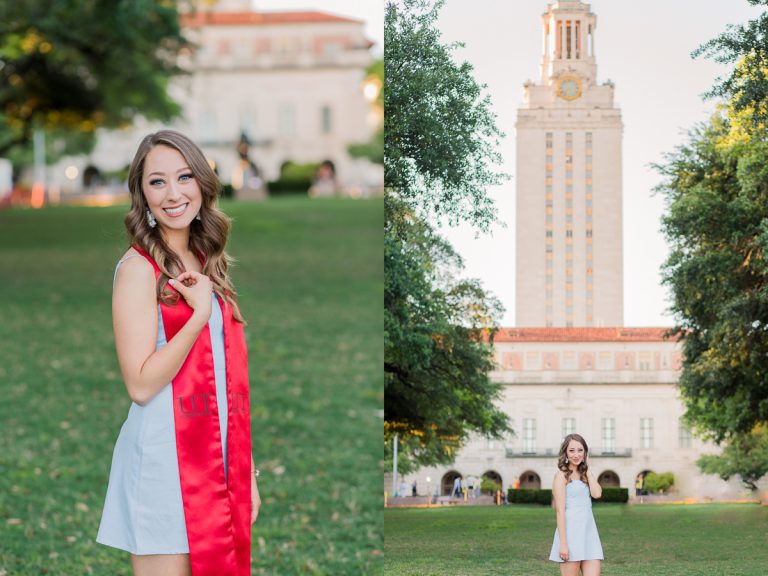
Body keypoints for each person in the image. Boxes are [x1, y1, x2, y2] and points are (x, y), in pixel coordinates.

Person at [95, 130, 261, 576]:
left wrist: (247, 471)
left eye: (184, 177)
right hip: (164, 463)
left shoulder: (208, 261)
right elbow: (141, 384)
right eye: (157, 182)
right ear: (142, 194)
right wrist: (196, 317)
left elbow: (228, 377)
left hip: (219, 462)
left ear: (202, 184)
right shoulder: (137, 270)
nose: (173, 194)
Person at [549, 433, 604, 575]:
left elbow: (597, 494)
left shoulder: (586, 474)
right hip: (570, 535)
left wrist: (588, 470)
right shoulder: (561, 476)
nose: (576, 455)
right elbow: (560, 511)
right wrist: (563, 544)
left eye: (580, 450)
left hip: (589, 533)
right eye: (571, 450)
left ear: (585, 453)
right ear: (565, 453)